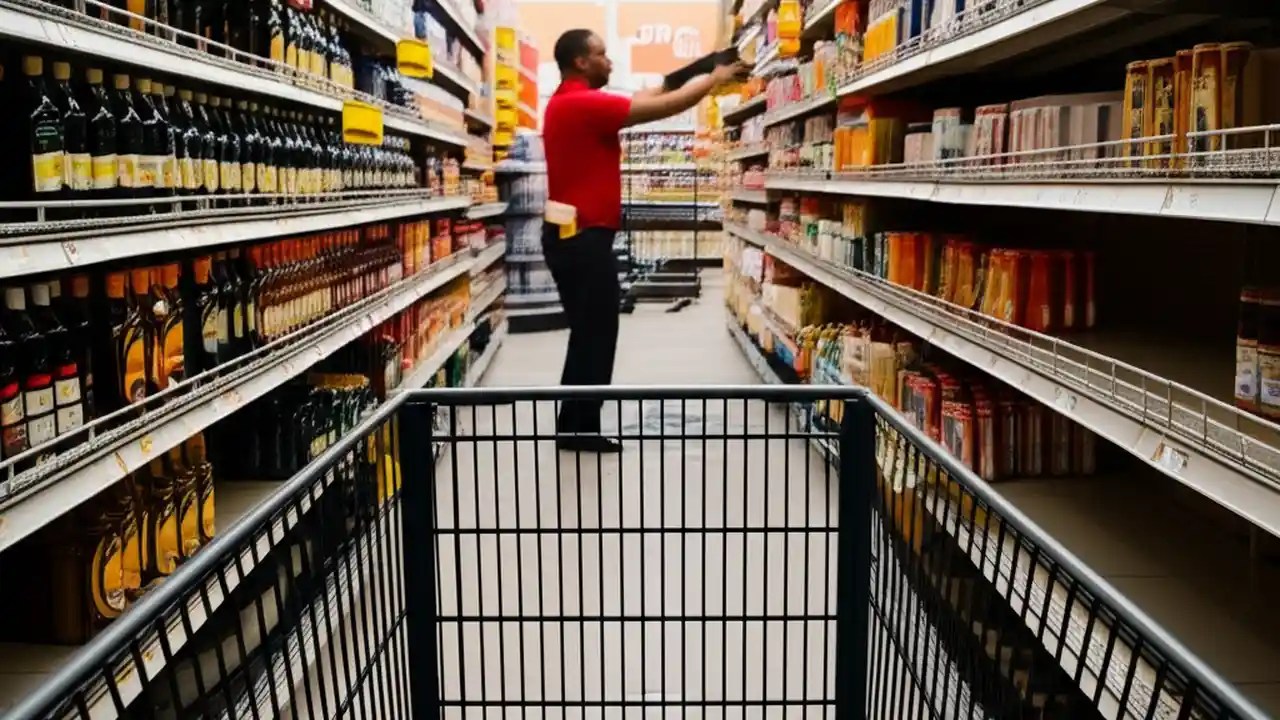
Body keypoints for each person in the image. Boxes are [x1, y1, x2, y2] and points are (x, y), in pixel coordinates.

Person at [542, 29, 744, 453]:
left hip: (573, 238)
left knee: (587, 333)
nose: (609, 61)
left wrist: (697, 66)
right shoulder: (582, 104)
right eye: (602, 54)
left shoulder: (567, 101)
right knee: (596, 334)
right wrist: (714, 80)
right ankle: (580, 431)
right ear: (580, 62)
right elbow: (667, 105)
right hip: (582, 239)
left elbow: (657, 90)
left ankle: (575, 425)